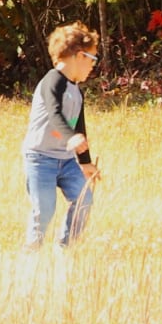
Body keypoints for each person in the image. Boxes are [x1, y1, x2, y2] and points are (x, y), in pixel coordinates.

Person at [21, 22, 101, 249]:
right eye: (92, 58)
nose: (93, 66)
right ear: (78, 55)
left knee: (84, 200)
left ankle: (63, 251)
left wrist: (85, 163)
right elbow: (54, 112)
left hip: (66, 161)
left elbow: (79, 127)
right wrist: (69, 138)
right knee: (44, 210)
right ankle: (31, 255)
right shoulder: (52, 81)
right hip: (40, 158)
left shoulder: (76, 91)